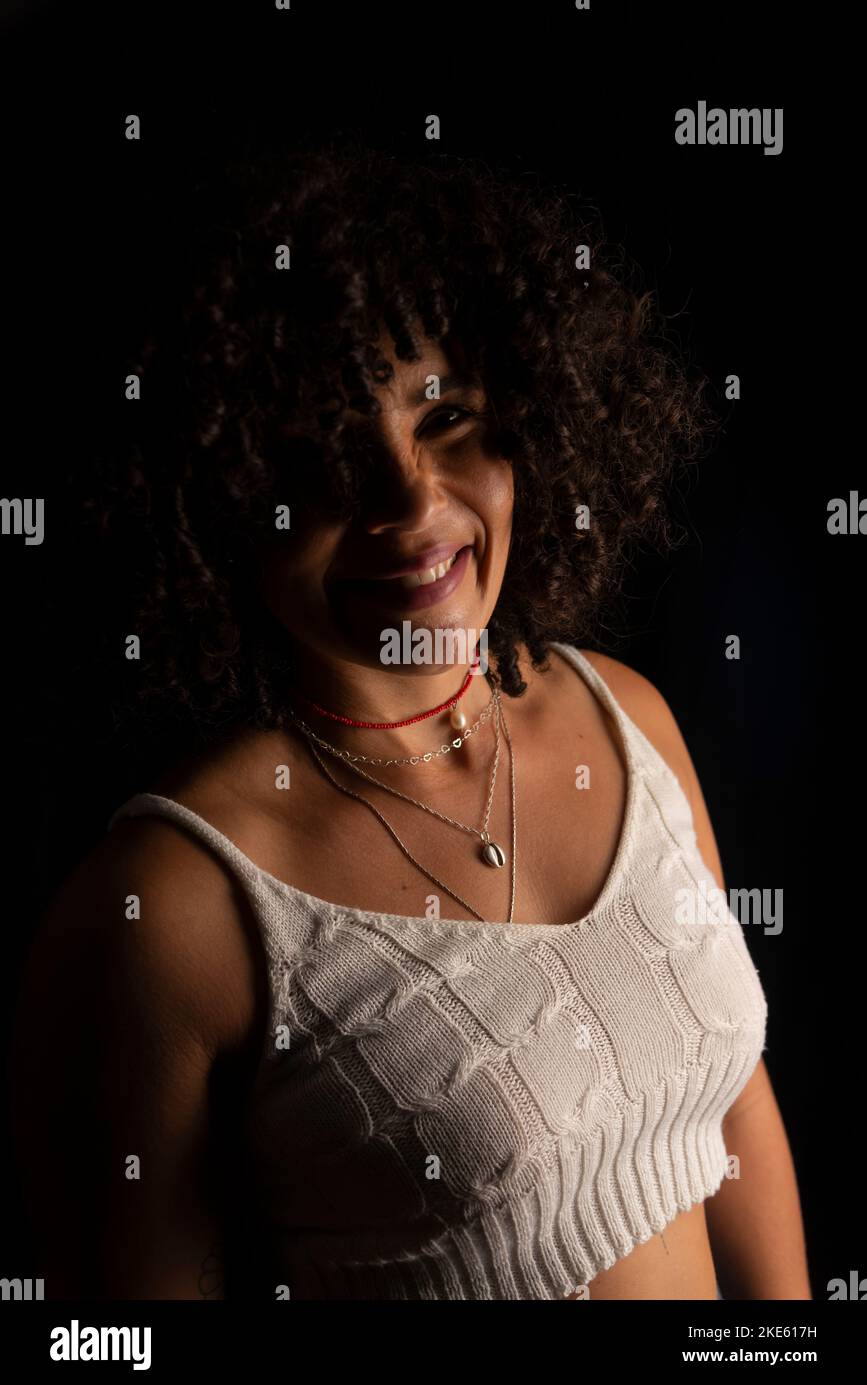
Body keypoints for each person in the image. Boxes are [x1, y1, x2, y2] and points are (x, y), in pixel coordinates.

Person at [11, 140, 810, 1300]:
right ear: (217, 496)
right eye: (325, 454)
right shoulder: (178, 912)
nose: (410, 500)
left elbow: (737, 1118)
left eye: (446, 418)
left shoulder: (625, 716)